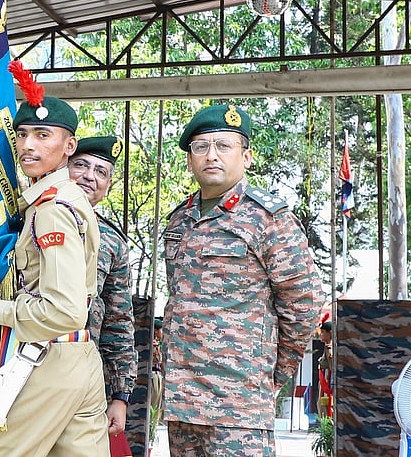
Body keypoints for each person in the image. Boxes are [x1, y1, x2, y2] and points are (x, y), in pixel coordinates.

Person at [161, 103, 323, 457]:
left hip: (239, 406)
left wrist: (270, 378)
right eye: (201, 147)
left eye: (223, 146)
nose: (211, 156)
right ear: (190, 160)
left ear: (246, 157)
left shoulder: (269, 219)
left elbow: (305, 306)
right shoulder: (179, 221)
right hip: (182, 403)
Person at [0, 85, 109, 457]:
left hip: (47, 357)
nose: (28, 145)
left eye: (43, 136)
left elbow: (64, 310)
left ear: (69, 147)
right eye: (22, 134)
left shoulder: (53, 209)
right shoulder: (61, 200)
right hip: (77, 355)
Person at [69, 136, 137, 441]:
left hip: (81, 381)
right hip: (16, 372)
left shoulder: (111, 240)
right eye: (80, 165)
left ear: (107, 186)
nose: (89, 176)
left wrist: (120, 396)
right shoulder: (23, 218)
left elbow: (118, 323)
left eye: (101, 172)